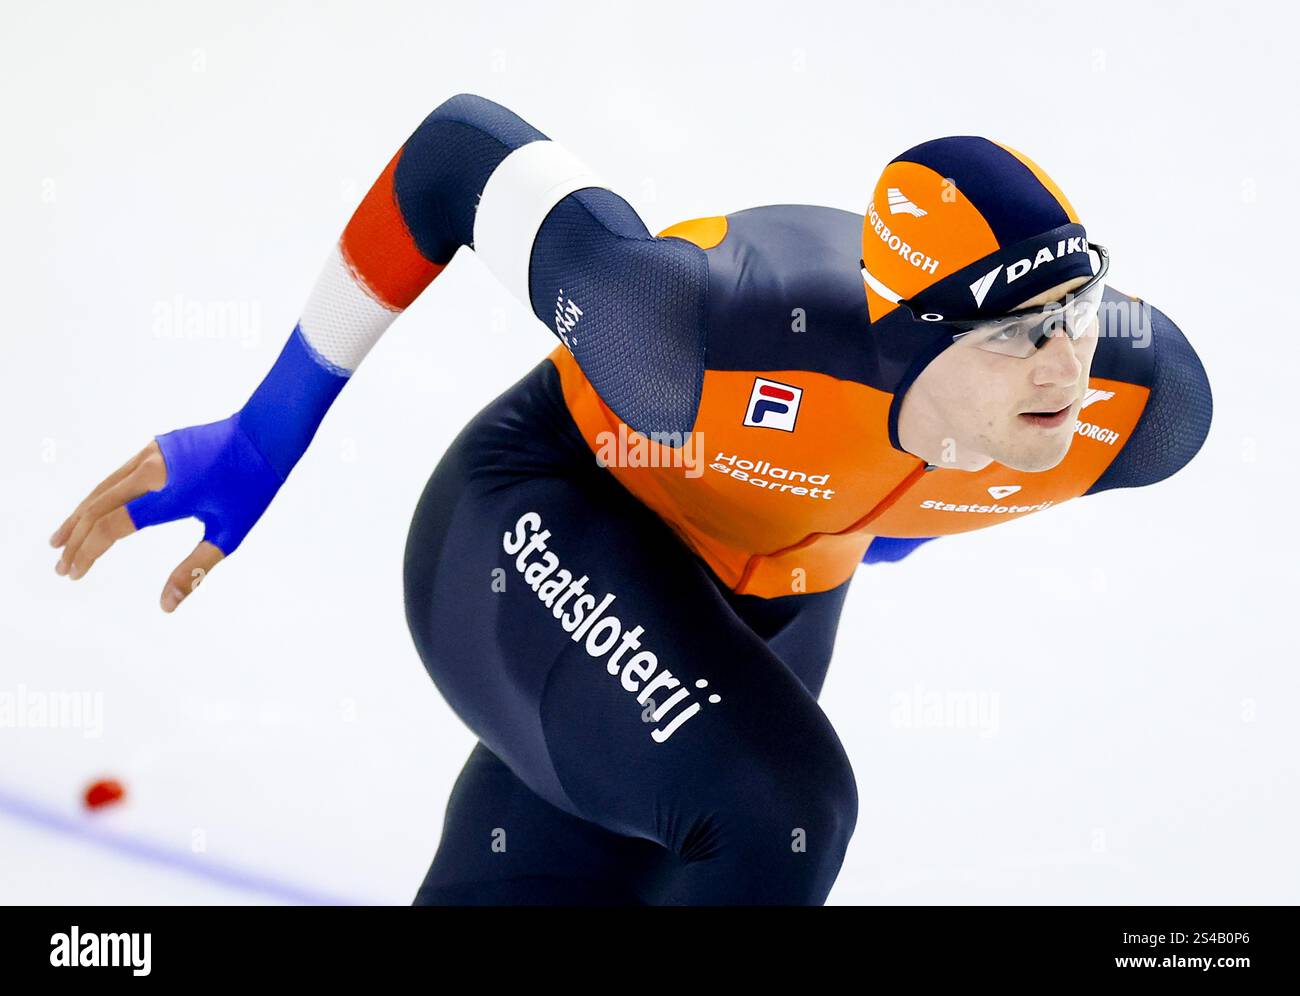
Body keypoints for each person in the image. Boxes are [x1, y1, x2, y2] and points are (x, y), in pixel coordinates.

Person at [49, 94, 1212, 905]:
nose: (1066, 364)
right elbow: (459, 151)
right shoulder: (684, 334)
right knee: (775, 810)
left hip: (763, 600)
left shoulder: (1138, 411)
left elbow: (906, 470)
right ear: (907, 342)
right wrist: (262, 435)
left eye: (1075, 310)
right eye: (1015, 333)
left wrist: (868, 511)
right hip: (544, 523)